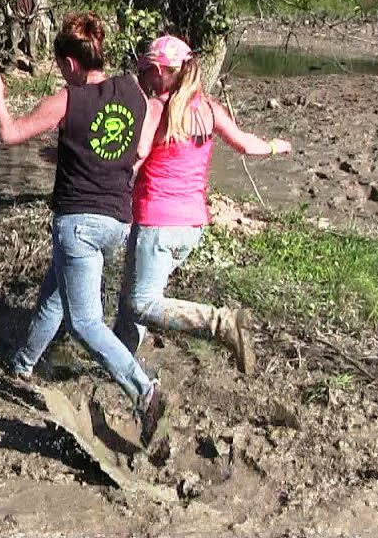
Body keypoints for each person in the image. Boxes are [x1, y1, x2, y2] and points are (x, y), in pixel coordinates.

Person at [0, 11, 171, 448]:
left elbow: (9, 134)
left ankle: (145, 392)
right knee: (56, 291)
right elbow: (144, 133)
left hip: (79, 225)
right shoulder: (133, 89)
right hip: (117, 220)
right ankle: (23, 364)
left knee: (85, 322)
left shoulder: (67, 100)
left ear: (70, 63)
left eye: (60, 66)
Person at [113, 35, 293, 375]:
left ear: (161, 71)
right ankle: (119, 369)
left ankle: (219, 322)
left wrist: (94, 170)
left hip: (157, 222)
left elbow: (137, 154)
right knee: (132, 300)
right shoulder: (209, 109)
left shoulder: (157, 109)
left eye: (147, 71)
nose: (143, 78)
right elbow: (244, 144)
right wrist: (274, 146)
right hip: (191, 226)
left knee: (141, 303)